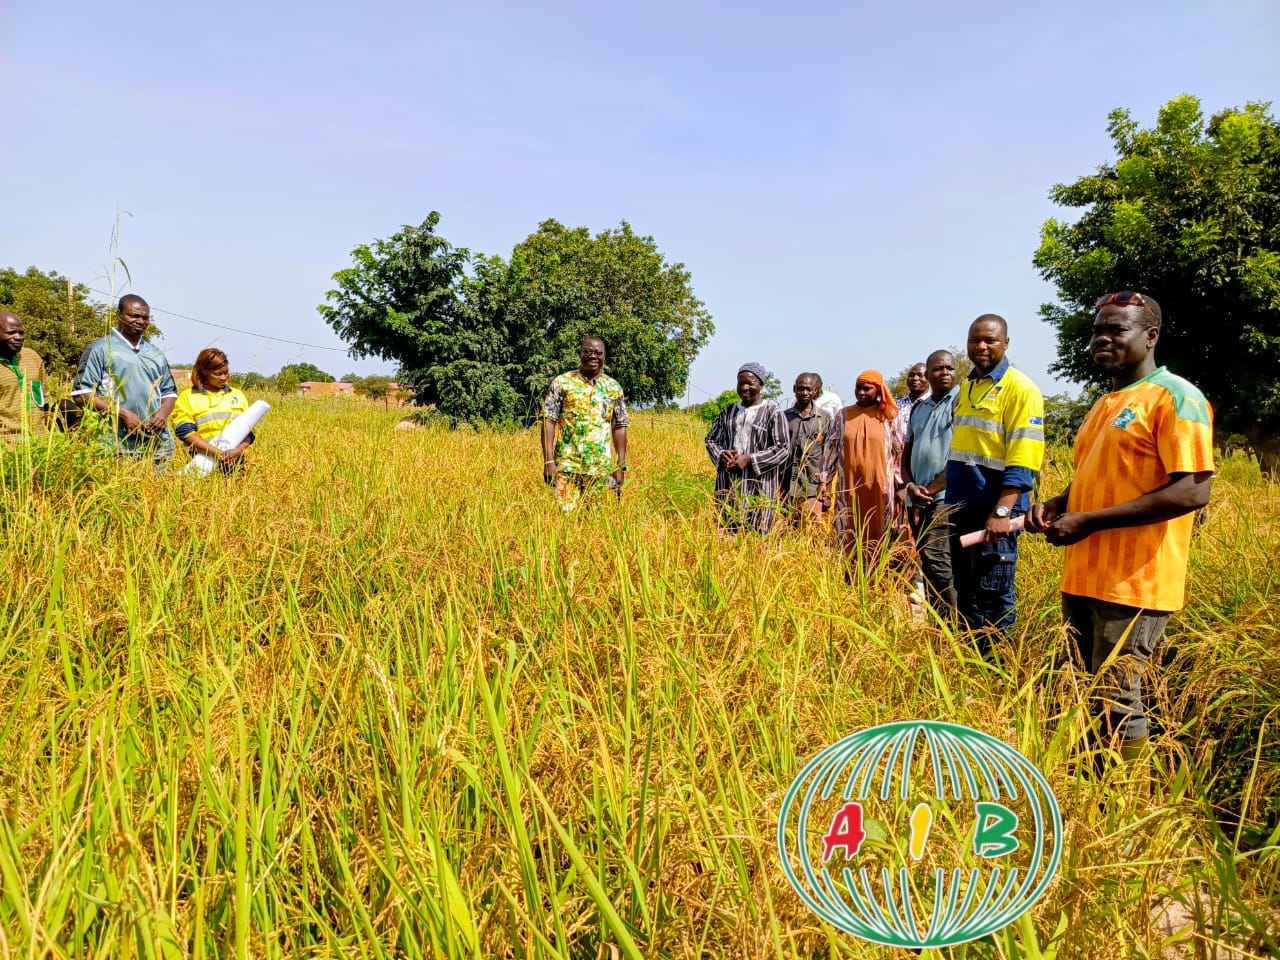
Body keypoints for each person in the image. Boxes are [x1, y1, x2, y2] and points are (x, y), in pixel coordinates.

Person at [1027, 291, 1213, 757]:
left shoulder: (1177, 398)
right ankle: (1092, 793)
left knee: (1118, 701)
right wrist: (1058, 503)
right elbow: (1097, 476)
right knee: (1083, 694)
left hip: (1134, 582)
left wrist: (1089, 521)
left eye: (1116, 329)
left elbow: (1192, 490)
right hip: (1085, 574)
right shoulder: (1104, 405)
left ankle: (1127, 809)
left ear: (1150, 336)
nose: (1102, 339)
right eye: (1097, 330)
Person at [946, 314, 1044, 641]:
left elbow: (1023, 457)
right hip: (962, 507)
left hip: (996, 512)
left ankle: (997, 672)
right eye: (975, 340)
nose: (982, 346)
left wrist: (1002, 510)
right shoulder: (965, 389)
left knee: (994, 594)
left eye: (990, 340)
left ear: (1006, 343)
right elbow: (963, 452)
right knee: (967, 592)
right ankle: (971, 667)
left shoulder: (1020, 389)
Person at [72, 295, 178, 464]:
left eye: (145, 318)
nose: (140, 321)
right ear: (119, 315)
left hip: (155, 444)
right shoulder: (100, 349)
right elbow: (81, 394)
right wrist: (122, 414)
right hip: (114, 444)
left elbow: (170, 392)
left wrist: (162, 414)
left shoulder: (155, 353)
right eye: (134, 316)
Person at [899, 350, 959, 615]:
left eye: (949, 368)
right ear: (928, 375)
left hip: (946, 497)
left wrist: (931, 489)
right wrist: (910, 486)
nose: (944, 373)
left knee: (939, 563)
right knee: (927, 560)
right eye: (937, 369)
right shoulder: (919, 409)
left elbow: (961, 456)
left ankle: (951, 629)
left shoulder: (961, 402)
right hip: (919, 498)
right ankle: (938, 626)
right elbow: (906, 453)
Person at [542, 337, 629, 512]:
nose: (593, 356)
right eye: (587, 351)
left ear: (604, 356)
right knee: (564, 519)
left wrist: (620, 466)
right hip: (567, 466)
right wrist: (549, 460)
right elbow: (548, 420)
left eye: (598, 353)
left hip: (601, 469)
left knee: (597, 523)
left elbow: (619, 426)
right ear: (580, 354)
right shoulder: (562, 383)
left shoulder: (613, 387)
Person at [705, 363, 790, 535]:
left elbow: (783, 448)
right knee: (726, 532)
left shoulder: (773, 413)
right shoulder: (727, 412)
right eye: (740, 383)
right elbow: (711, 439)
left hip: (760, 486)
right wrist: (722, 454)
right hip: (727, 485)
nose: (745, 387)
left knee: (757, 538)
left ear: (760, 385)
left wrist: (750, 459)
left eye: (750, 383)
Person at [832, 370, 903, 562]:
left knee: (879, 528)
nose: (861, 393)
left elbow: (899, 451)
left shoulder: (889, 416)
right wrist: (824, 480)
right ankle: (849, 576)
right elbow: (831, 450)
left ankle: (878, 576)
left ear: (878, 390)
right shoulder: (843, 415)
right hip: (849, 486)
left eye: (867, 389)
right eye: (858, 388)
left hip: (880, 487)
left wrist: (900, 484)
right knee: (849, 527)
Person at [170, 348, 255, 471]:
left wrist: (237, 451)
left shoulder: (237, 395)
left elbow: (248, 433)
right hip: (200, 462)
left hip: (234, 462)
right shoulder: (188, 397)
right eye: (218, 374)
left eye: (226, 373)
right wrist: (217, 453)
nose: (223, 377)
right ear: (204, 372)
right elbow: (185, 432)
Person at [779, 372, 837, 525]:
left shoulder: (825, 418)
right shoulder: (783, 417)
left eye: (808, 389)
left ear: (815, 391)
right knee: (786, 529)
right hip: (785, 484)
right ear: (794, 389)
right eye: (801, 388)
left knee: (812, 530)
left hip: (812, 486)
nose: (804, 392)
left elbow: (830, 454)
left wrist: (826, 487)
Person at [0, 310, 47, 446]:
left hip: (39, 442)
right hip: (7, 447)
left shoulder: (31, 357)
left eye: (21, 333)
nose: (18, 337)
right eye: (11, 332)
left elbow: (46, 397)